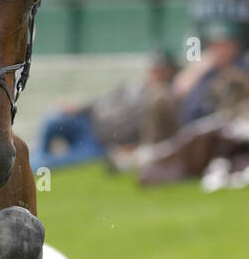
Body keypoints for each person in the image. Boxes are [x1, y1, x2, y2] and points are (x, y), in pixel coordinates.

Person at [30, 49, 178, 172]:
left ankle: (30, 166)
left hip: (101, 144)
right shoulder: (133, 86)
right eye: (153, 69)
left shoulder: (163, 99)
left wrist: (132, 150)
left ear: (169, 72)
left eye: (160, 70)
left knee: (55, 162)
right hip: (85, 122)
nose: (155, 73)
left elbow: (155, 133)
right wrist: (78, 107)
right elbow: (103, 101)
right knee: (53, 116)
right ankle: (35, 156)